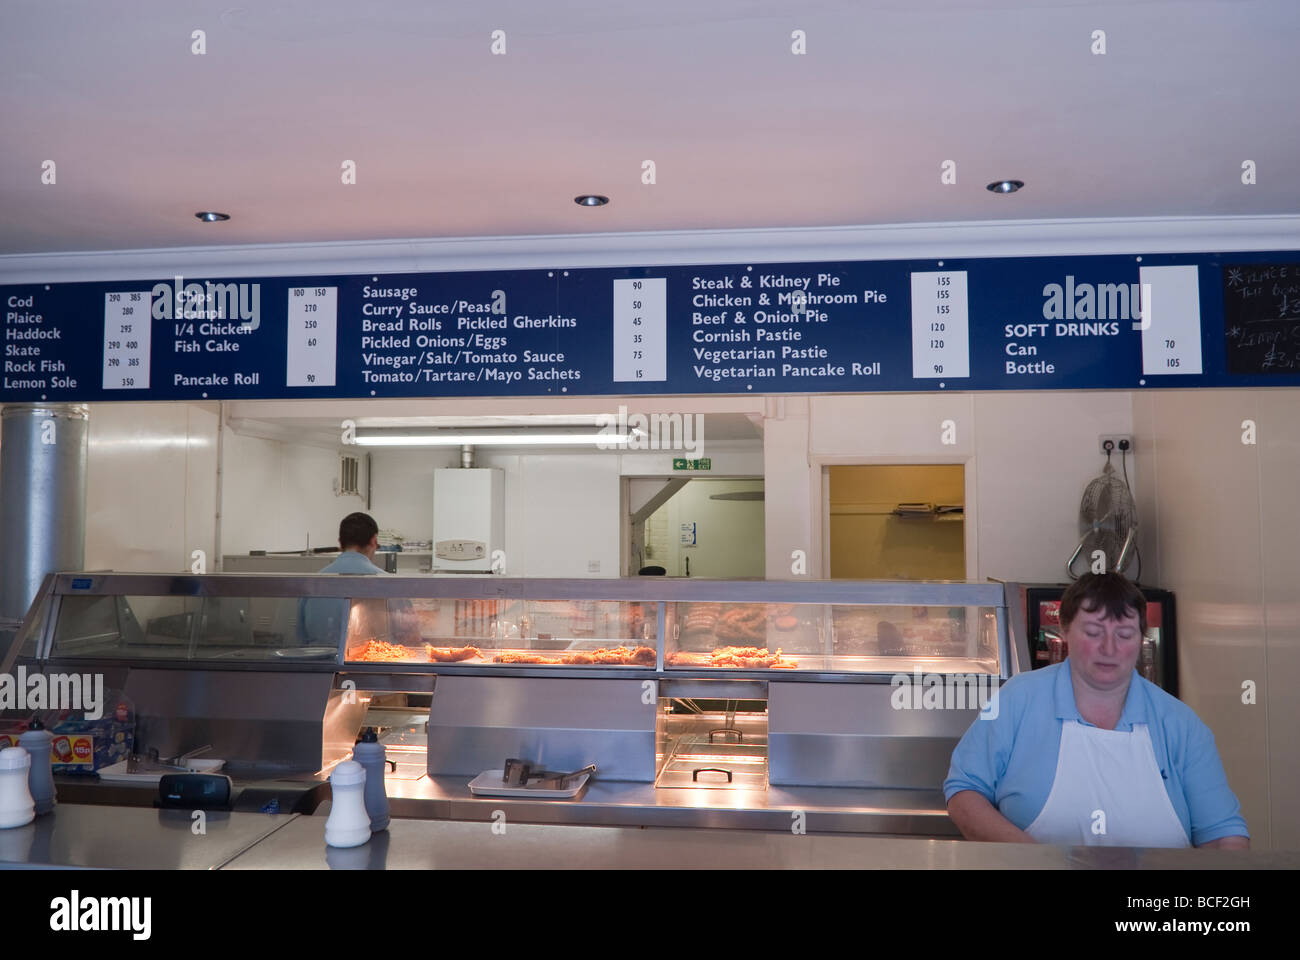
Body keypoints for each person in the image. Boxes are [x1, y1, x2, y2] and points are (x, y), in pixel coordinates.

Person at [944, 572, 1248, 848]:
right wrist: (1030, 861)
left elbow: (1223, 836)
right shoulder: (1018, 700)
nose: (1109, 648)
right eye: (1093, 632)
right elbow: (965, 793)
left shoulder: (1181, 724)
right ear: (1063, 630)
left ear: (1141, 637)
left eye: (1124, 635)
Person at [299, 512, 391, 646]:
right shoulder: (389, 584)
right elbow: (405, 635)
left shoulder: (311, 584)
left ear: (340, 542)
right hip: (367, 663)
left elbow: (301, 639)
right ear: (374, 540)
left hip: (319, 665)